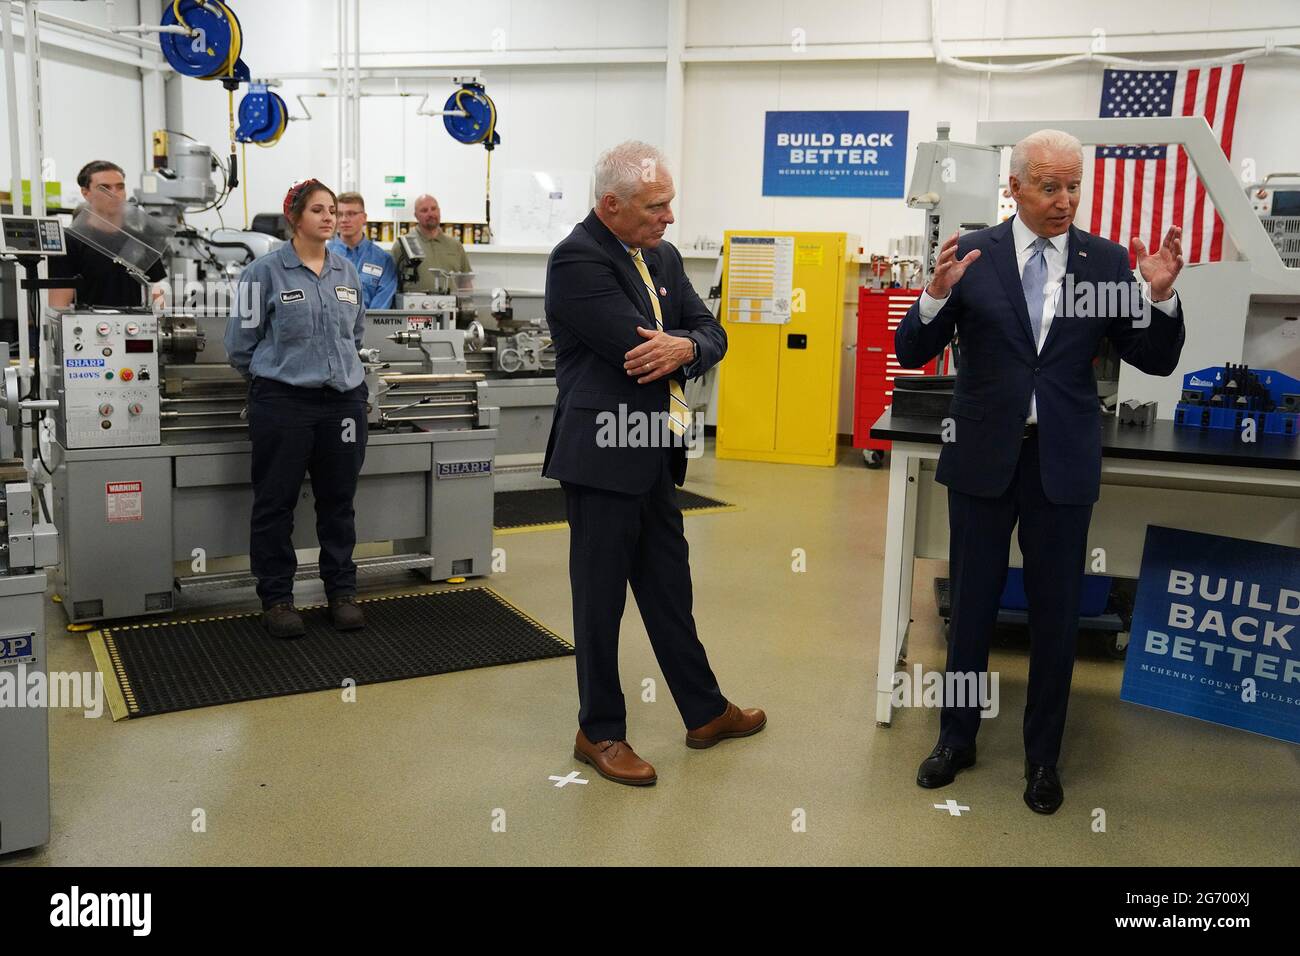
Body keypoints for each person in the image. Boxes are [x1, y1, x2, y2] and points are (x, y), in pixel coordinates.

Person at [895, 129, 1187, 814]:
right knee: (969, 611)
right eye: (1051, 187)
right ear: (1016, 188)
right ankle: (955, 739)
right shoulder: (972, 255)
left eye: (1074, 186)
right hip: (982, 459)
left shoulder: (1106, 262)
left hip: (1060, 461)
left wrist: (1161, 299)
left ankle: (1042, 759)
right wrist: (934, 296)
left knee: (1055, 616)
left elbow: (1153, 357)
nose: (1065, 200)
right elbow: (912, 347)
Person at [543, 140, 765, 787]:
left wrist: (688, 346)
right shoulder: (577, 261)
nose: (669, 217)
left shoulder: (662, 256)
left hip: (653, 451)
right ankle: (600, 731)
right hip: (601, 456)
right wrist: (684, 345)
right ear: (610, 204)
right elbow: (638, 349)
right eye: (655, 206)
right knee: (601, 601)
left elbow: (710, 333)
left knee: (671, 590)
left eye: (669, 203)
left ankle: (705, 712)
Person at [224, 179, 369, 638]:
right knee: (275, 504)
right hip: (283, 403)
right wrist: (280, 381)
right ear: (295, 218)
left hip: (343, 402)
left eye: (333, 210)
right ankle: (278, 599)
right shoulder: (261, 274)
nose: (330, 217)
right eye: (319, 211)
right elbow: (239, 347)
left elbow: (355, 336)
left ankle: (341, 592)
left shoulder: (347, 273)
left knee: (338, 502)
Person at [48, 160, 167, 310]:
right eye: (104, 188)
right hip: (88, 327)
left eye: (120, 187)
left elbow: (158, 291)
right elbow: (58, 305)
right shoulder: (70, 241)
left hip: (134, 328)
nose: (114, 194)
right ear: (86, 193)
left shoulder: (140, 239)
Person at [327, 191, 397, 309]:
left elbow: (380, 309)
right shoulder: (322, 255)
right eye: (339, 214)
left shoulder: (383, 260)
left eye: (351, 214)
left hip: (369, 326)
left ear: (364, 218)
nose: (344, 219)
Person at [391, 193, 471, 292]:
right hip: (413, 306)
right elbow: (391, 282)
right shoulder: (402, 244)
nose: (430, 214)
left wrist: (467, 303)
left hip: (451, 306)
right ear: (416, 216)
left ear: (439, 211)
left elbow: (465, 282)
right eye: (424, 210)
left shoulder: (455, 245)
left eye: (433, 209)